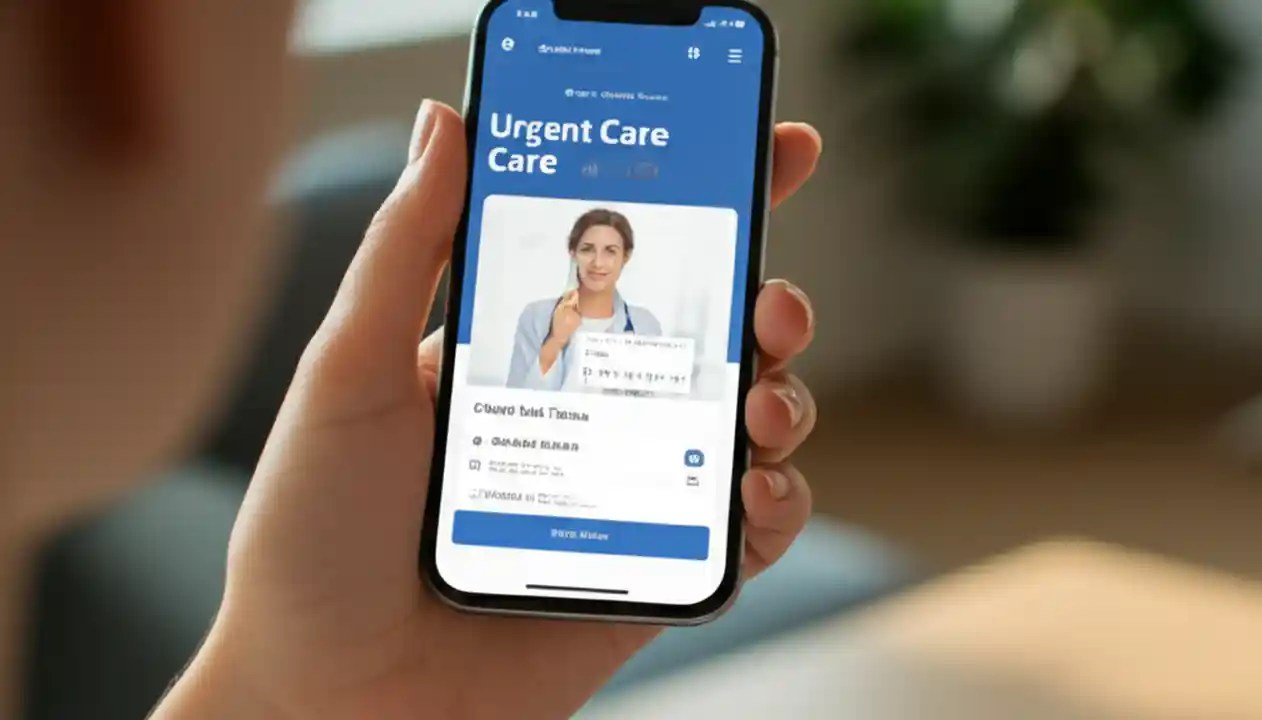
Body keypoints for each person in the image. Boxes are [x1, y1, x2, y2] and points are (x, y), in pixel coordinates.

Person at [0, 3, 822, 719]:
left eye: (614, 248)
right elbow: (524, 386)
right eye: (589, 245)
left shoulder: (652, 324)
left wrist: (297, 695)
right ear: (133, 35)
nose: (600, 259)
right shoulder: (539, 313)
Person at [508, 208, 662, 392]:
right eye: (587, 250)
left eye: (610, 251)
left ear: (625, 257)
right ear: (572, 252)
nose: (597, 263)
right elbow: (514, 402)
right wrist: (555, 340)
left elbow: (653, 406)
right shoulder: (537, 316)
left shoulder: (645, 325)